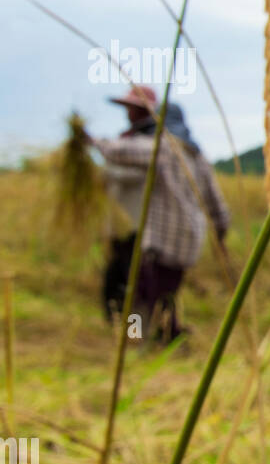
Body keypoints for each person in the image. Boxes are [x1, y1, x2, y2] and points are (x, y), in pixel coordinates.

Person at [88, 85, 230, 342]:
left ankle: (161, 337)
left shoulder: (162, 148)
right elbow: (216, 202)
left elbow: (119, 151)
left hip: (163, 238)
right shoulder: (197, 156)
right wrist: (221, 229)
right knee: (163, 291)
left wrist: (93, 141)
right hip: (190, 239)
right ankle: (162, 334)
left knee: (151, 291)